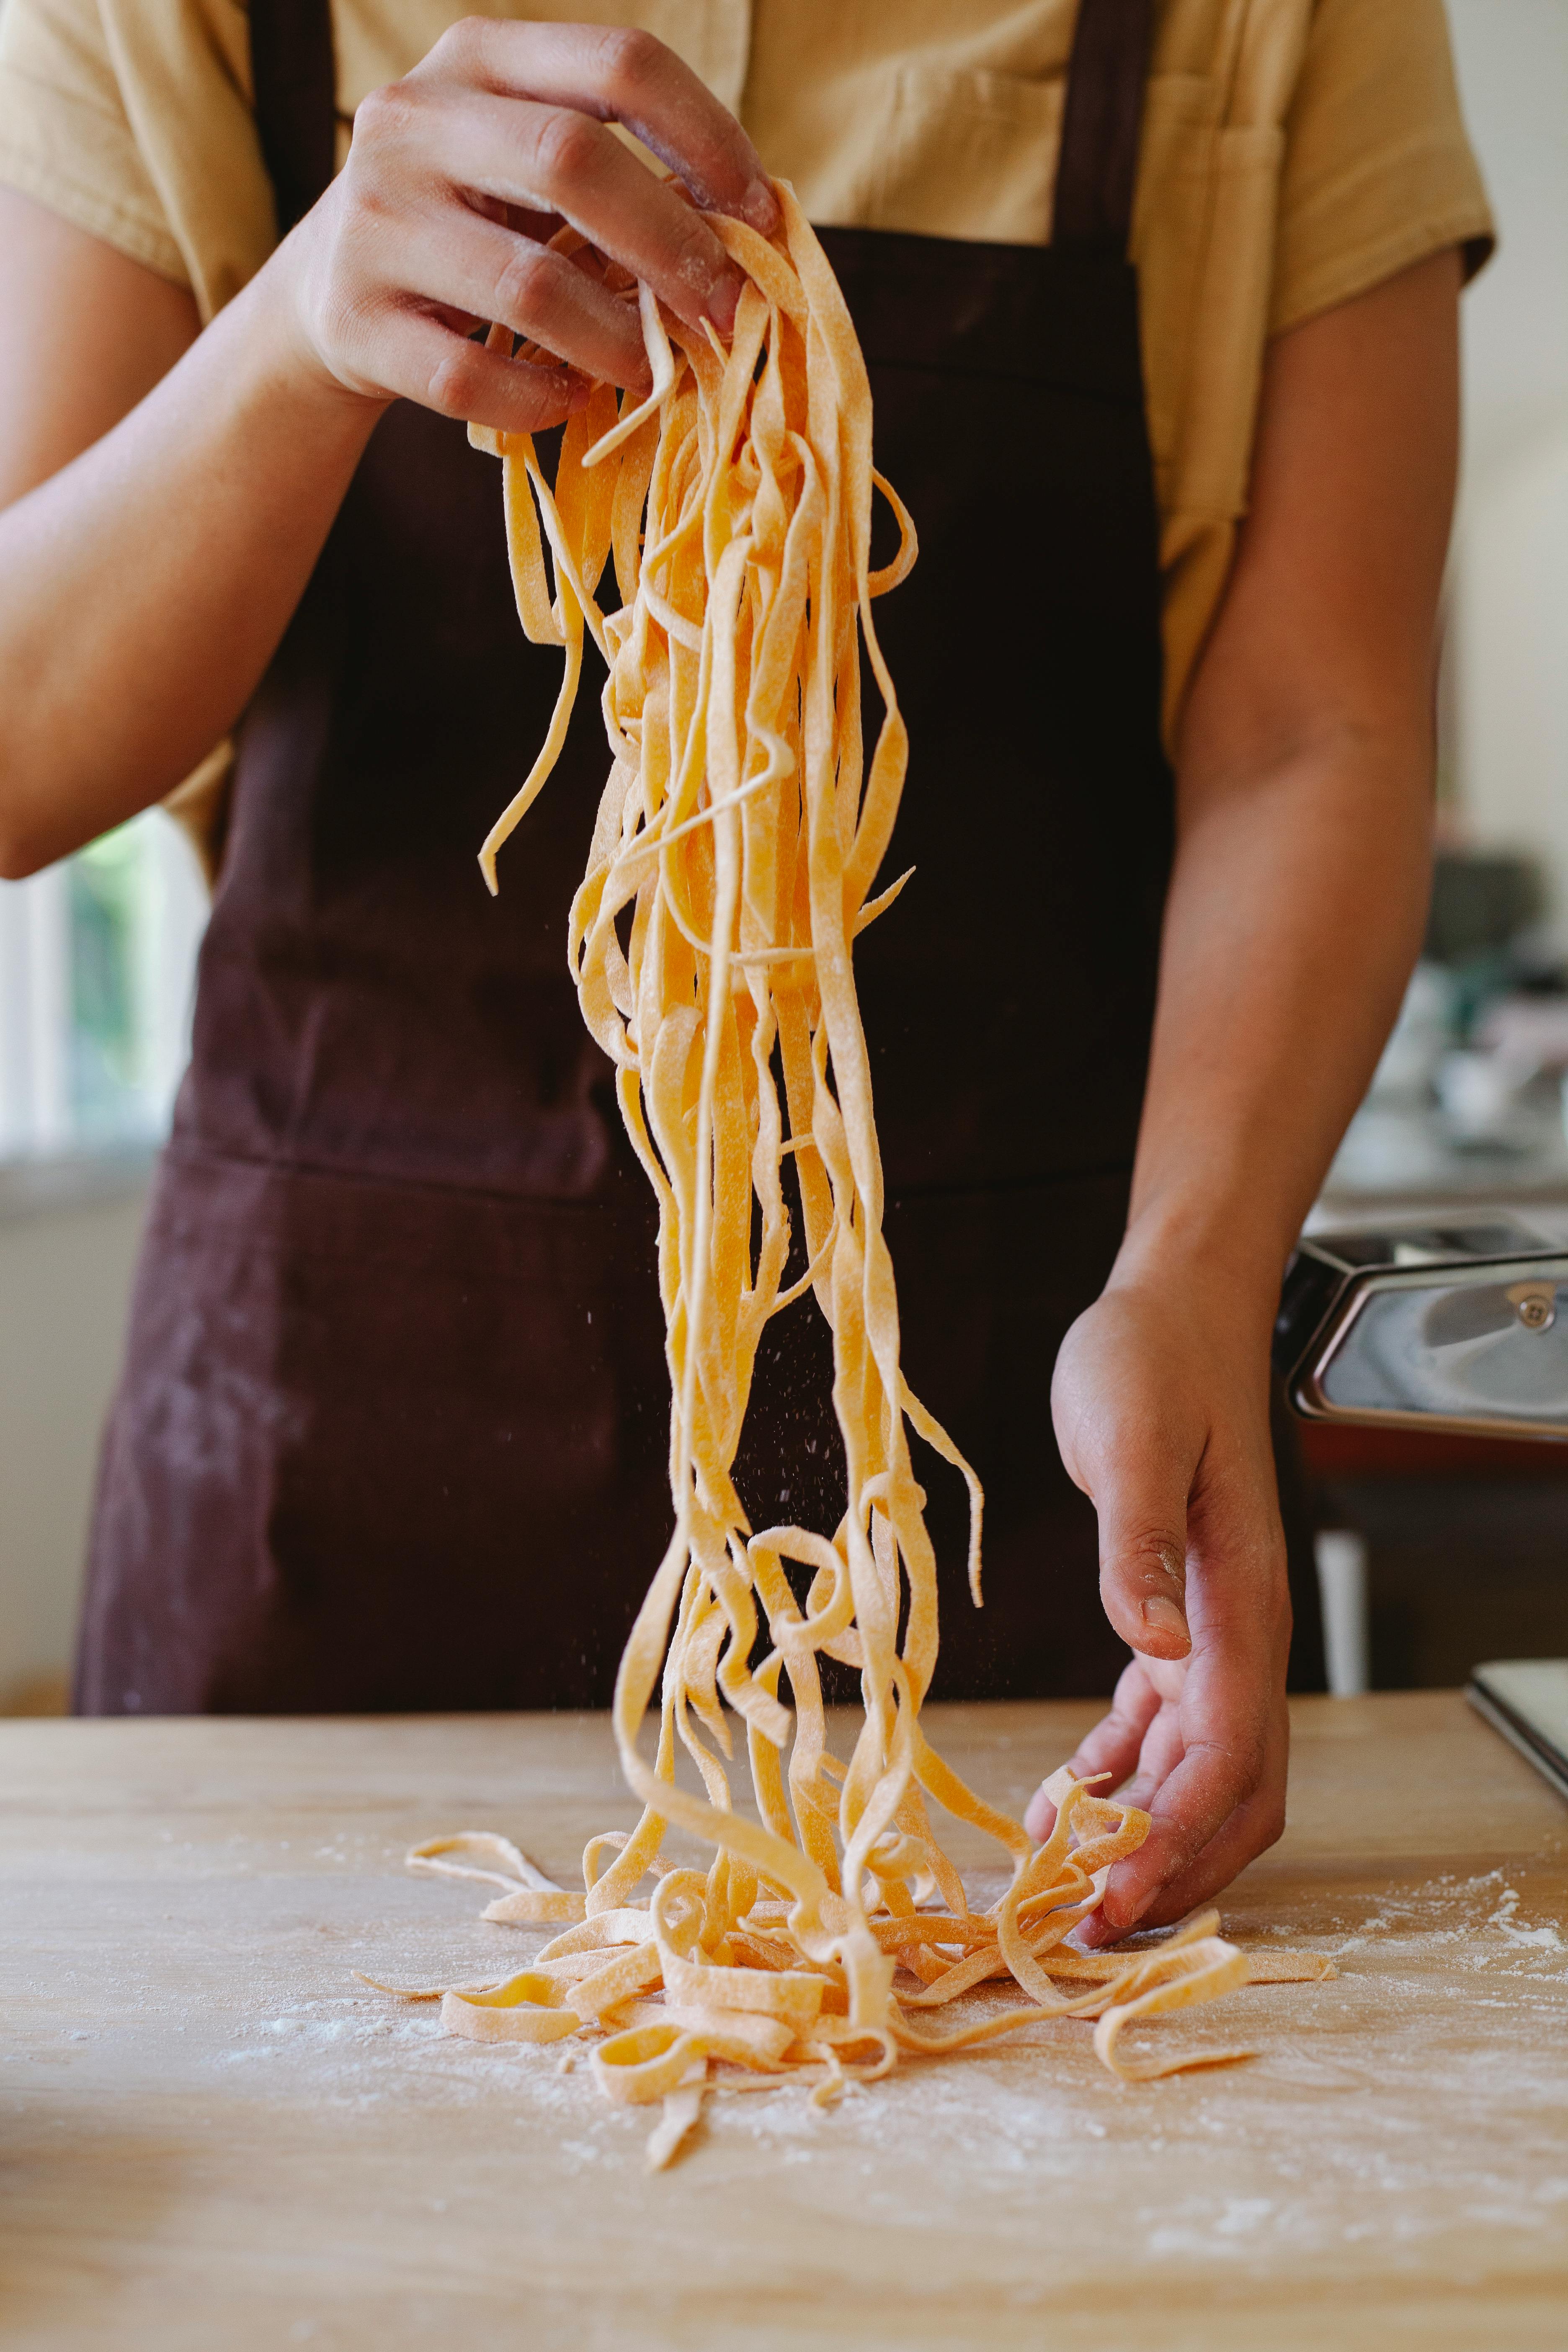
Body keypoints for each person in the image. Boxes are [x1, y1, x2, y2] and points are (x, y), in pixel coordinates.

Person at [0, 0, 1491, 1942]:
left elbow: (1314, 728)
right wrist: (298, 334)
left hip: (1013, 1431)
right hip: (324, 1433)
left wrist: (1197, 1280)